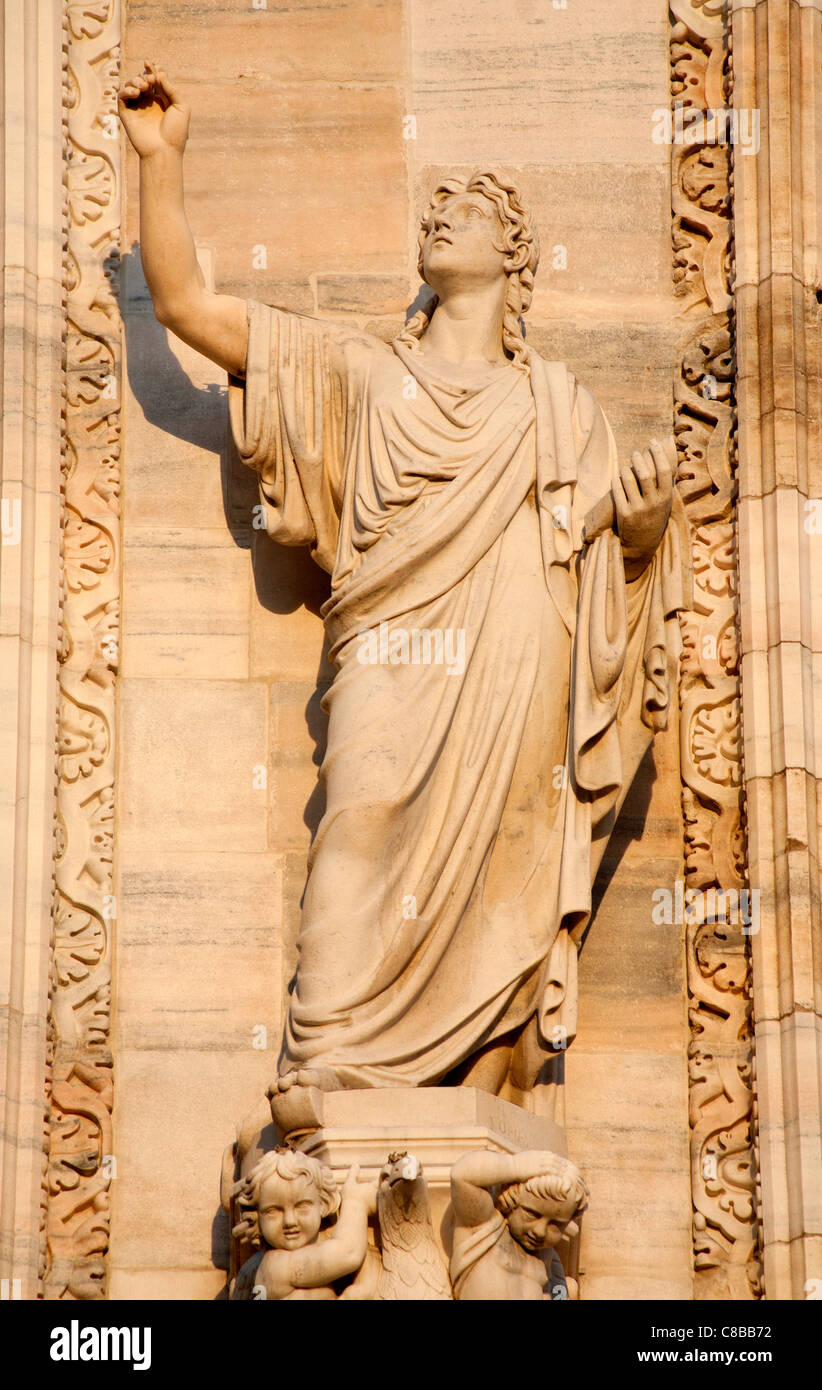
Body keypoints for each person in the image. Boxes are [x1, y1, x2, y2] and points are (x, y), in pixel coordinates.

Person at [119, 65, 691, 1107]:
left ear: (514, 257)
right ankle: (328, 1055)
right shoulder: (358, 368)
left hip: (519, 656)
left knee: (509, 844)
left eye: (462, 209)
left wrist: (641, 537)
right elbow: (189, 307)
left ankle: (478, 1074)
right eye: (432, 207)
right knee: (366, 813)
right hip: (390, 649)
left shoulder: (557, 407)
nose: (438, 216)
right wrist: (162, 163)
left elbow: (607, 580)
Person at [230, 1149, 375, 1300]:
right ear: (257, 1216)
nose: (290, 1221)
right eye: (273, 1211)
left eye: (302, 1206)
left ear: (323, 1204)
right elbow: (349, 1253)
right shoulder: (275, 1267)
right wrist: (355, 1201)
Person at [449, 1149, 587, 1300]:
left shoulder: (545, 1258)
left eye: (555, 1224)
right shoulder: (486, 1226)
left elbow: (557, 1292)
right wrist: (515, 1166)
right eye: (532, 1214)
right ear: (511, 1201)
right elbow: (461, 1175)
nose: (540, 1231)